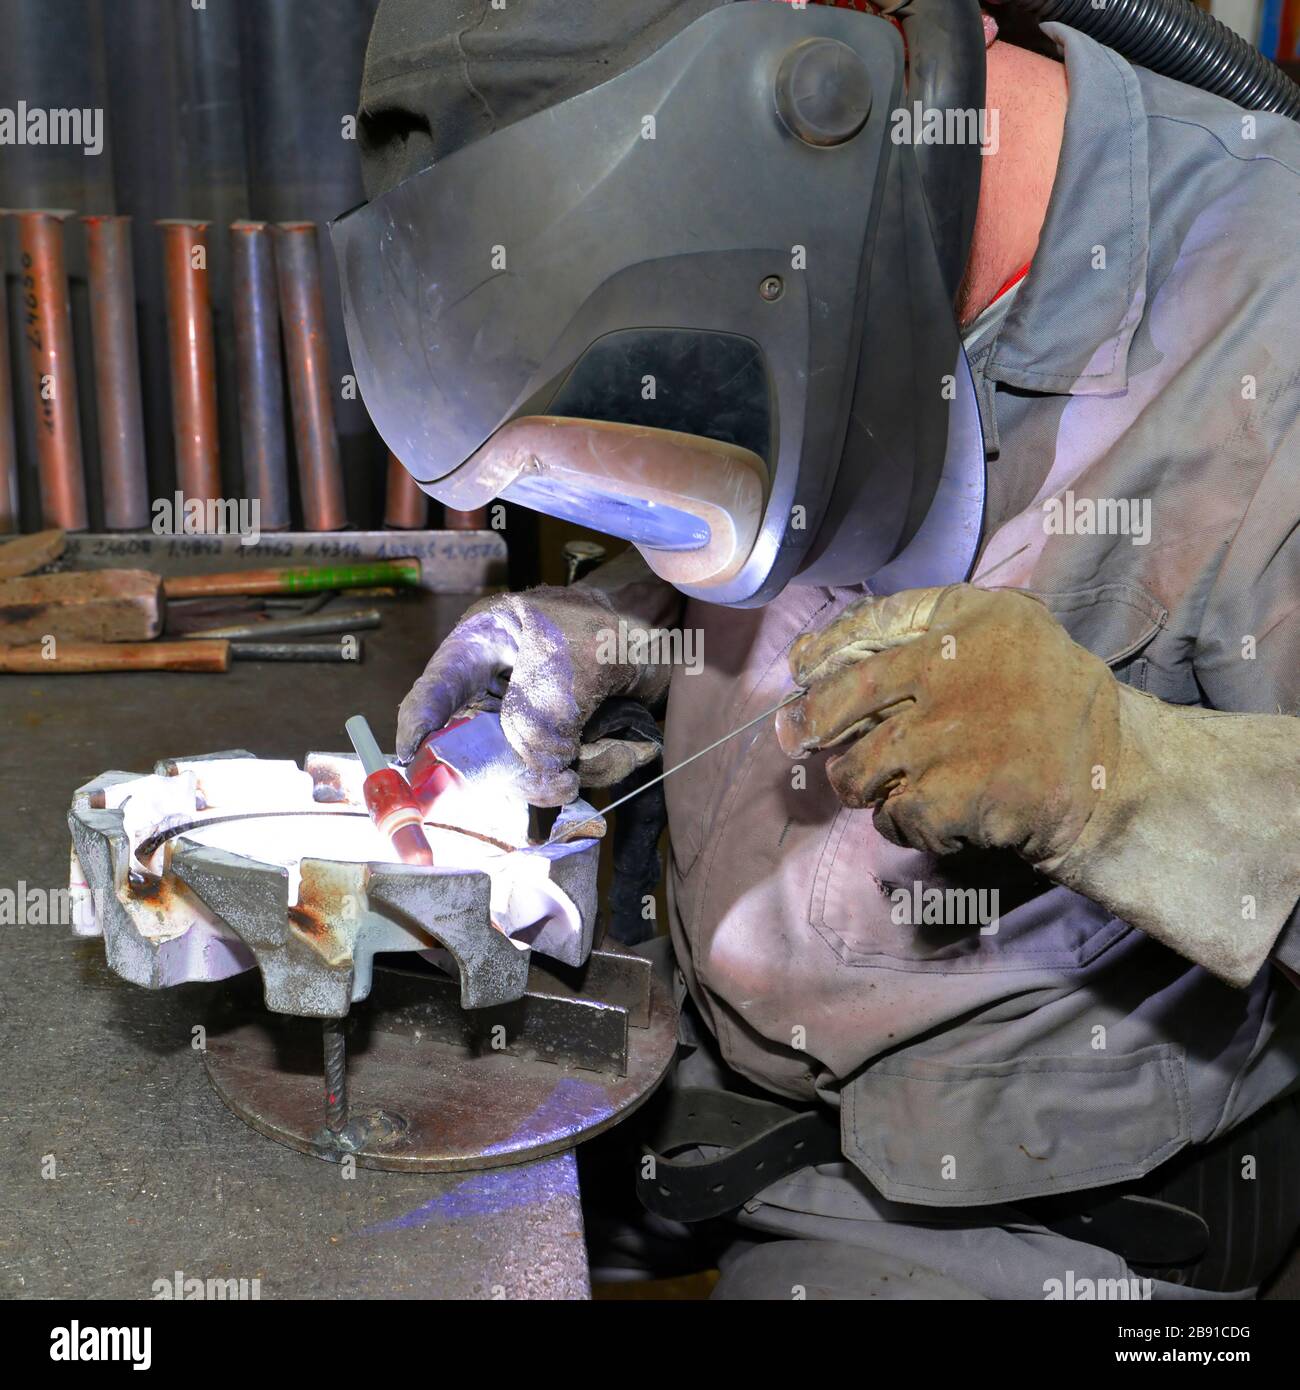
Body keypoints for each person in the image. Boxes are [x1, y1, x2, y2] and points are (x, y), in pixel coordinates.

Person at [347, 0, 1300, 1298]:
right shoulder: (793, 261)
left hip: (1001, 1215)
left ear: (825, 100)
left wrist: (1120, 772)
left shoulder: (1269, 316)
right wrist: (609, 628)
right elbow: (774, 491)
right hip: (695, 1063)